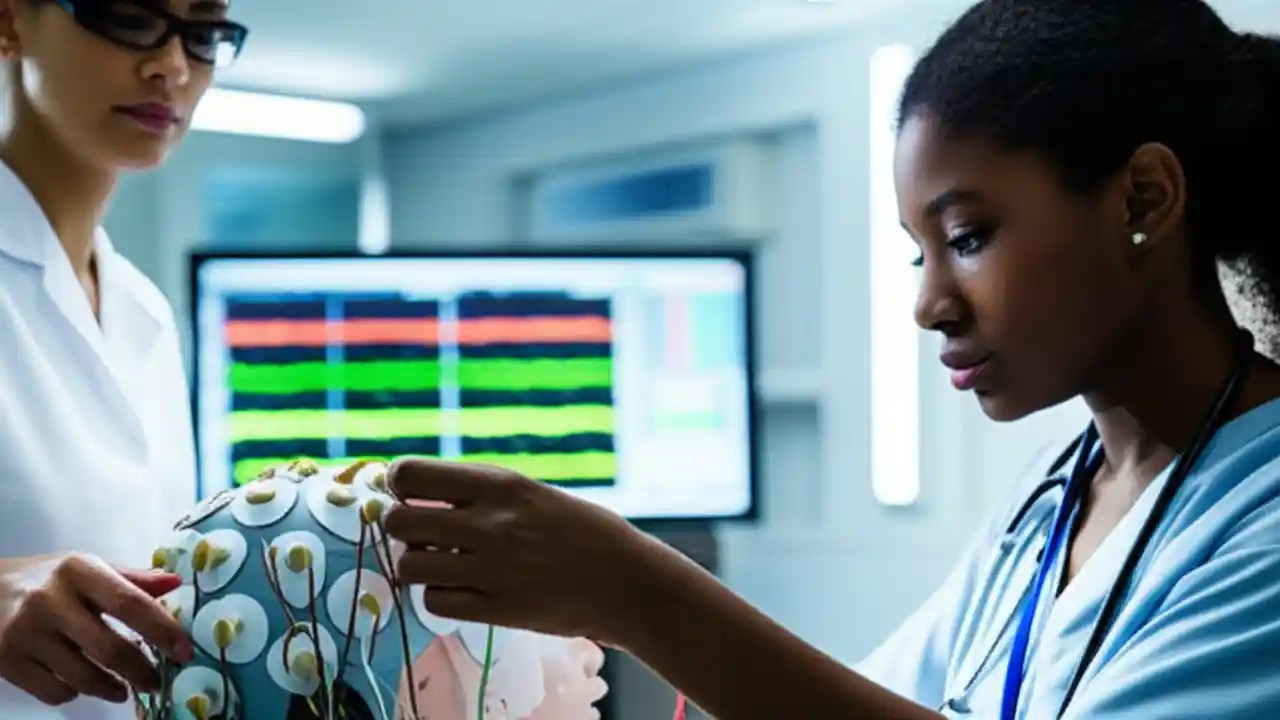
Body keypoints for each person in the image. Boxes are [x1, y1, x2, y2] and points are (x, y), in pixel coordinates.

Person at [382, 0, 1280, 717]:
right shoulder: (1061, 497)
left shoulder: (1262, 522)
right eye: (918, 253)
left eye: (968, 236)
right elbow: (865, 697)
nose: (930, 304)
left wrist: (640, 594)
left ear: (1146, 197)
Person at [0, 0, 247, 717]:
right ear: (11, 21)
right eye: (127, 16)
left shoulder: (146, 312)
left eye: (202, 33)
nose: (171, 65)